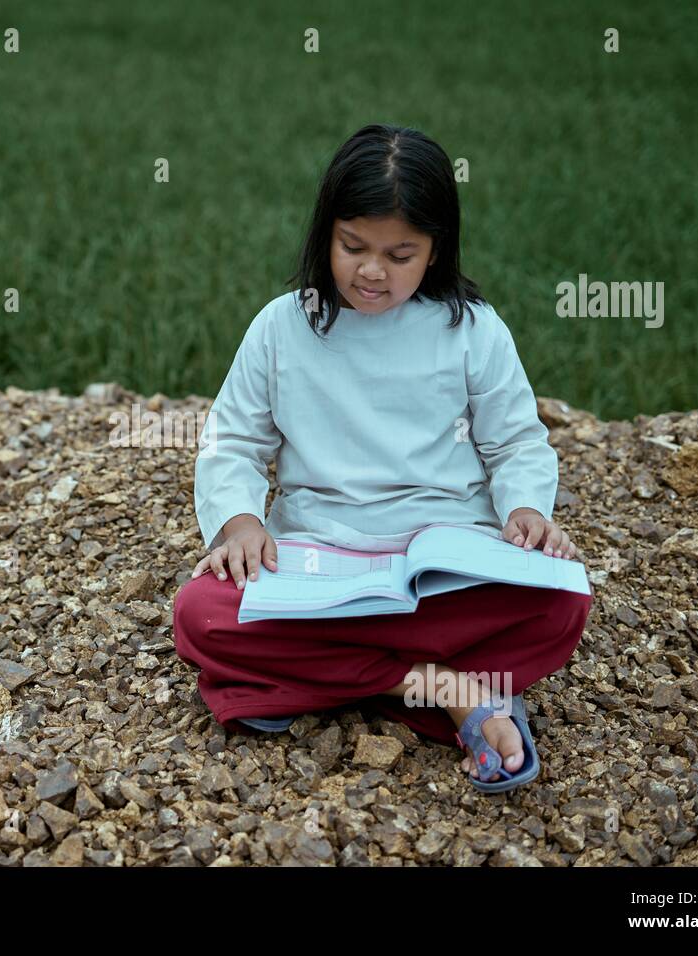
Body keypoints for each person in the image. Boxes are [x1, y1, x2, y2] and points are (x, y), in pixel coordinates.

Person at [171, 124, 592, 792]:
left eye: (400, 254)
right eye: (352, 246)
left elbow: (514, 442)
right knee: (199, 614)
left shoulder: (471, 329)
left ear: (435, 250)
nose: (372, 271)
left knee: (563, 603)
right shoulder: (284, 326)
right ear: (324, 235)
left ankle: (316, 680)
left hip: (446, 562)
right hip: (318, 562)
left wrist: (526, 512)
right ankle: (441, 687)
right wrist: (242, 525)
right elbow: (233, 444)